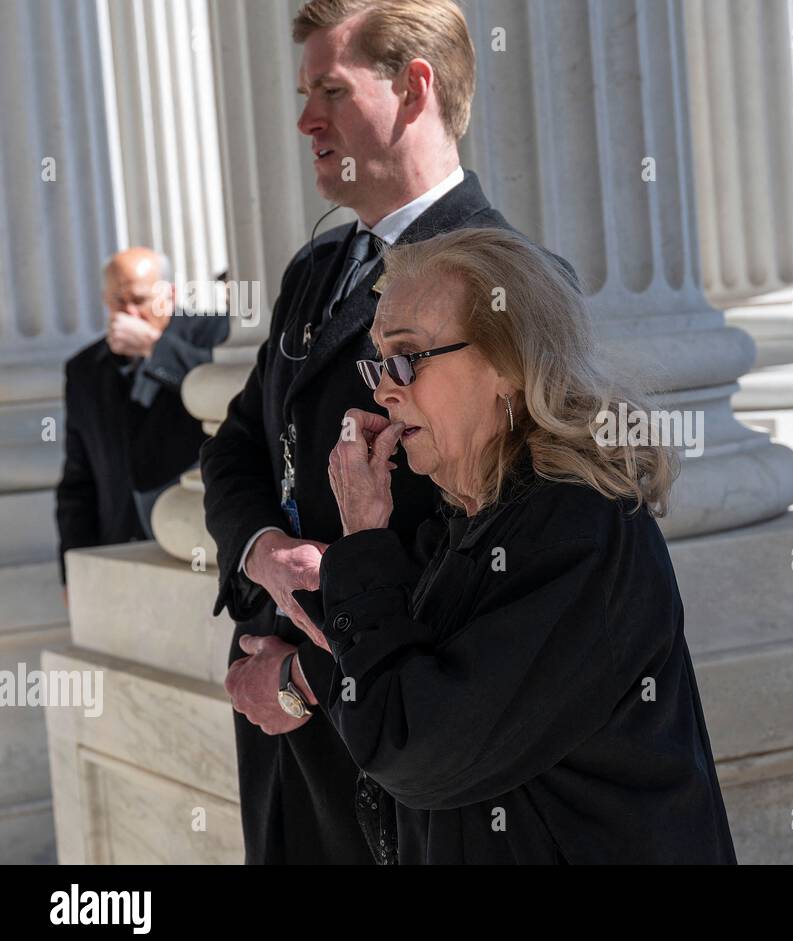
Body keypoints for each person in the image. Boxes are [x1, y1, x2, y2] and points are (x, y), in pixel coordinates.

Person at [203, 0, 574, 864]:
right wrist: (260, 546)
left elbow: (507, 535)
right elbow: (238, 447)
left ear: (414, 89)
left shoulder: (513, 284)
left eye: (330, 88)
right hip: (277, 721)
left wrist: (309, 677)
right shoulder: (317, 269)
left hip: (392, 734)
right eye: (304, 92)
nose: (305, 119)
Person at [237, 227, 738, 864]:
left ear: (509, 366)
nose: (384, 390)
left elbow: (410, 742)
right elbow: (404, 665)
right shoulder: (468, 522)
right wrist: (303, 669)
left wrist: (363, 538)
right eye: (378, 364)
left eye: (407, 359)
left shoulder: (579, 528)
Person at [57, 248, 227, 589]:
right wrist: (72, 572)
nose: (129, 313)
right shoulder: (84, 368)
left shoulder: (214, 332)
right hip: (122, 552)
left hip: (200, 542)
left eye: (139, 299)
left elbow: (226, 392)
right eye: (118, 302)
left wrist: (155, 347)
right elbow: (78, 479)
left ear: (171, 294)